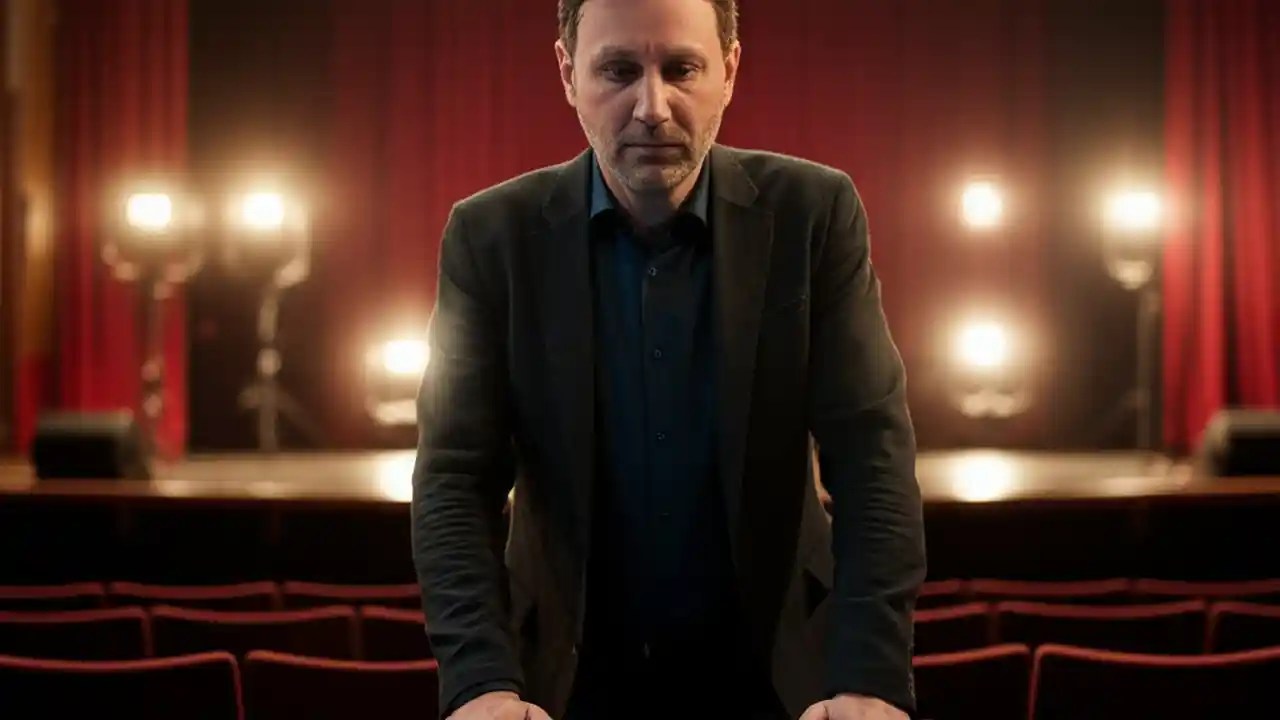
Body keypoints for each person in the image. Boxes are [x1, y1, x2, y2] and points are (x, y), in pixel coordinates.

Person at [410, 0, 926, 718]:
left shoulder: (815, 213)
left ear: (729, 72)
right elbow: (454, 481)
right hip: (561, 686)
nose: (652, 108)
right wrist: (479, 683)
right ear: (567, 73)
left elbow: (872, 457)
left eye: (681, 69)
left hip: (778, 680)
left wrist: (870, 677)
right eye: (618, 70)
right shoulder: (489, 235)